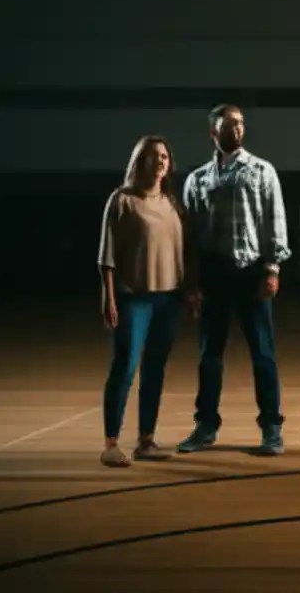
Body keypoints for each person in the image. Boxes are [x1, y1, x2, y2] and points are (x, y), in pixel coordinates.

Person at [178, 103, 291, 455]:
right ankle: (205, 426)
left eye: (241, 124)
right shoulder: (197, 179)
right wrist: (192, 283)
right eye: (230, 125)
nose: (237, 130)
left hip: (250, 271)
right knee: (209, 355)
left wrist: (272, 268)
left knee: (263, 354)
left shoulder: (261, 170)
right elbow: (190, 236)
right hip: (214, 274)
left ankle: (271, 428)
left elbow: (275, 220)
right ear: (214, 131)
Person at [96, 135, 187, 467]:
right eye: (153, 156)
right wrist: (109, 296)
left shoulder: (173, 203)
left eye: (165, 155)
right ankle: (110, 443)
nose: (161, 161)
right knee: (124, 368)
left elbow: (183, 252)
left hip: (168, 298)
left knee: (155, 370)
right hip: (133, 299)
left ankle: (146, 439)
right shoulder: (121, 201)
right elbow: (106, 256)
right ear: (140, 162)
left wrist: (189, 290)